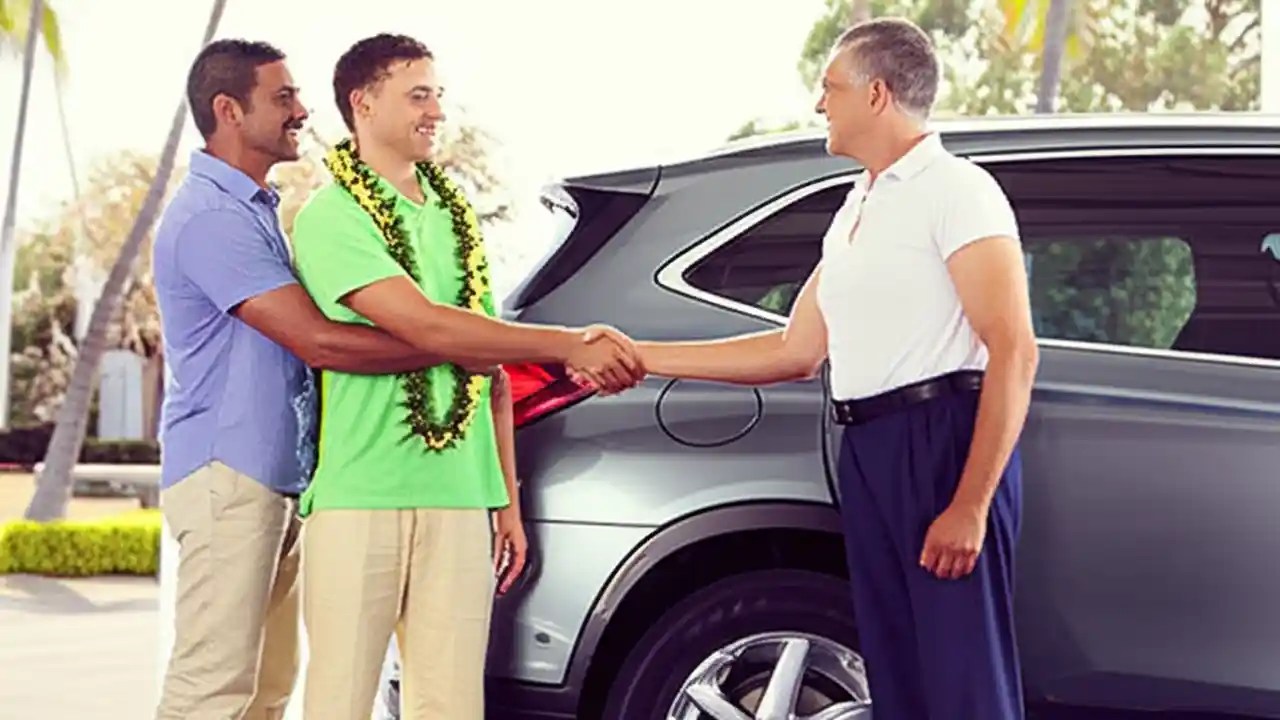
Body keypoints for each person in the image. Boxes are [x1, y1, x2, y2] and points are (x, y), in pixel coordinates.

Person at [634, 17, 1037, 720]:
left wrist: (970, 504)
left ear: (877, 94)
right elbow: (793, 350)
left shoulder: (956, 189)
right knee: (899, 677)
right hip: (870, 447)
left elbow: (1014, 348)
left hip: (941, 440)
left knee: (963, 681)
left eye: (832, 88)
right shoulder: (857, 205)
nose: (821, 104)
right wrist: (640, 358)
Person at [286, 33, 643, 720]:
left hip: (457, 499)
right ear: (363, 103)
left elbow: (492, 368)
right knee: (338, 703)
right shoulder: (330, 217)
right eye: (418, 95)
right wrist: (570, 344)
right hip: (360, 498)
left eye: (438, 96)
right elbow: (434, 329)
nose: (435, 112)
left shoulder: (454, 219)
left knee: (451, 705)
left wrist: (503, 497)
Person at [152, 39, 467, 720]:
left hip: (278, 480)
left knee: (265, 690)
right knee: (213, 688)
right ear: (228, 110)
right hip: (226, 478)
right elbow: (320, 341)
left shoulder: (255, 209)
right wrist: (451, 345)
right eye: (283, 97)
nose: (302, 109)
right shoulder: (210, 217)